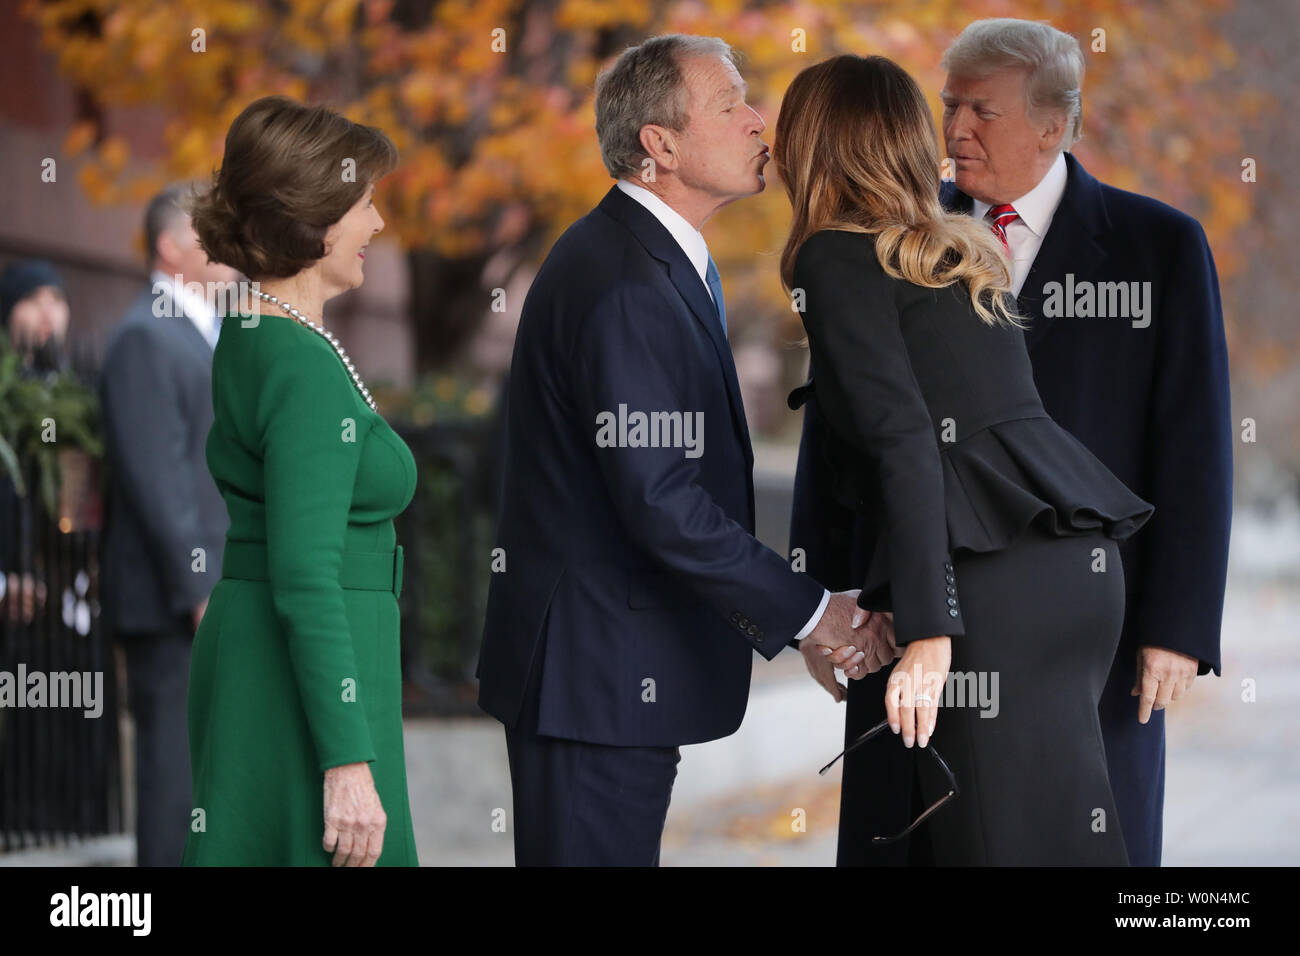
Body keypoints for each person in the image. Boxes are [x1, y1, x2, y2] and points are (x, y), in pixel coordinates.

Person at [476, 34, 878, 867]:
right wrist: (812, 614)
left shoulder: (655, 261)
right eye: (730, 104)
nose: (757, 119)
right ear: (659, 144)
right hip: (592, 687)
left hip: (611, 682)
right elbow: (661, 500)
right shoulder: (625, 281)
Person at [775, 53, 1154, 864]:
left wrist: (930, 631)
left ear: (816, 144)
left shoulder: (834, 256)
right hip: (1071, 577)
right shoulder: (954, 251)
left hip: (987, 595)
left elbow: (907, 442)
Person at [936, 18, 1232, 866]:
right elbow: (853, 421)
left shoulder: (1160, 246)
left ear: (1054, 124)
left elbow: (1196, 446)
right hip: (937, 618)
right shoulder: (905, 236)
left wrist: (1178, 626)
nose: (955, 129)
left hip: (1099, 633)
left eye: (981, 111)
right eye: (950, 104)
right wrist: (838, 588)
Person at [183, 95, 417, 866]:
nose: (377, 226)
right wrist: (346, 761)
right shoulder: (296, 361)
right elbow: (306, 574)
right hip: (312, 686)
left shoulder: (253, 332)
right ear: (314, 215)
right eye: (365, 203)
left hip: (277, 663)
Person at [99, 187, 235, 866]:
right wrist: (200, 588)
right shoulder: (143, 336)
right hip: (172, 604)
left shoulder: (202, 332)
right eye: (211, 232)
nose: (228, 246)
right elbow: (160, 480)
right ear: (170, 248)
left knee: (205, 781)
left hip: (202, 598)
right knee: (172, 783)